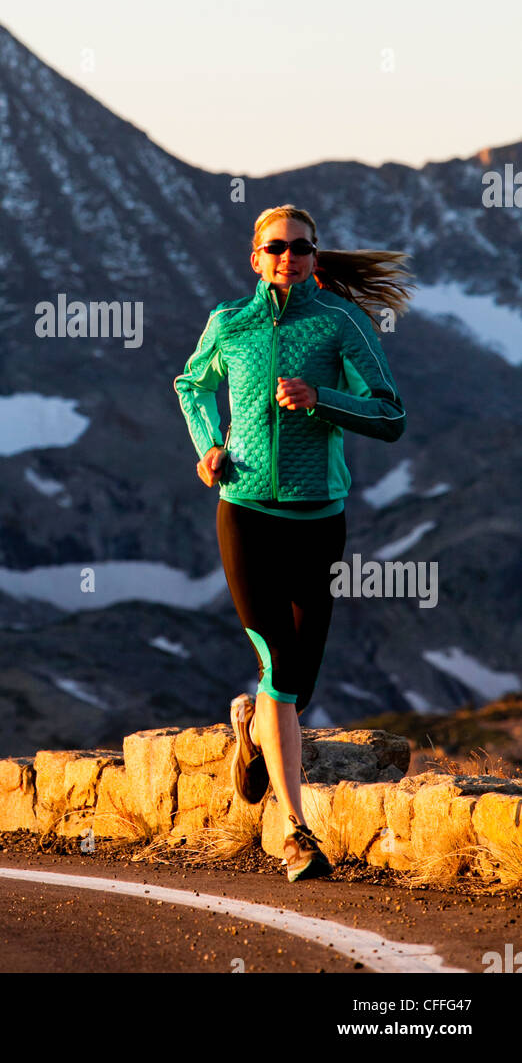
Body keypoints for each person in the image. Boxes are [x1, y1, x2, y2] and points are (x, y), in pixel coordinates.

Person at [173, 203, 413, 882]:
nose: (288, 258)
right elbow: (193, 385)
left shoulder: (339, 322)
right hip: (245, 512)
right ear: (256, 257)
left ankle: (249, 733)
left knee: (295, 683)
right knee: (278, 659)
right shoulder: (231, 323)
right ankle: (297, 832)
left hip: (317, 518)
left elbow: (391, 414)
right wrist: (210, 447)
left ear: (315, 256)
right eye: (275, 247)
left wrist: (322, 400)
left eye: (300, 248)